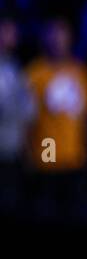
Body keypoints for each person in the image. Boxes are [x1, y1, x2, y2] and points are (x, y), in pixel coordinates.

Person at [24, 17, 87, 216]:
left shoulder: (80, 72)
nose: (57, 40)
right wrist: (29, 152)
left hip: (74, 157)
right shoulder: (35, 73)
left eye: (62, 34)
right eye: (52, 34)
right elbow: (26, 118)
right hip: (47, 155)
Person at [0, 18, 35, 211]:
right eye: (7, 31)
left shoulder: (15, 67)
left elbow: (28, 110)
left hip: (14, 151)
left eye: (14, 32)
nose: (13, 36)